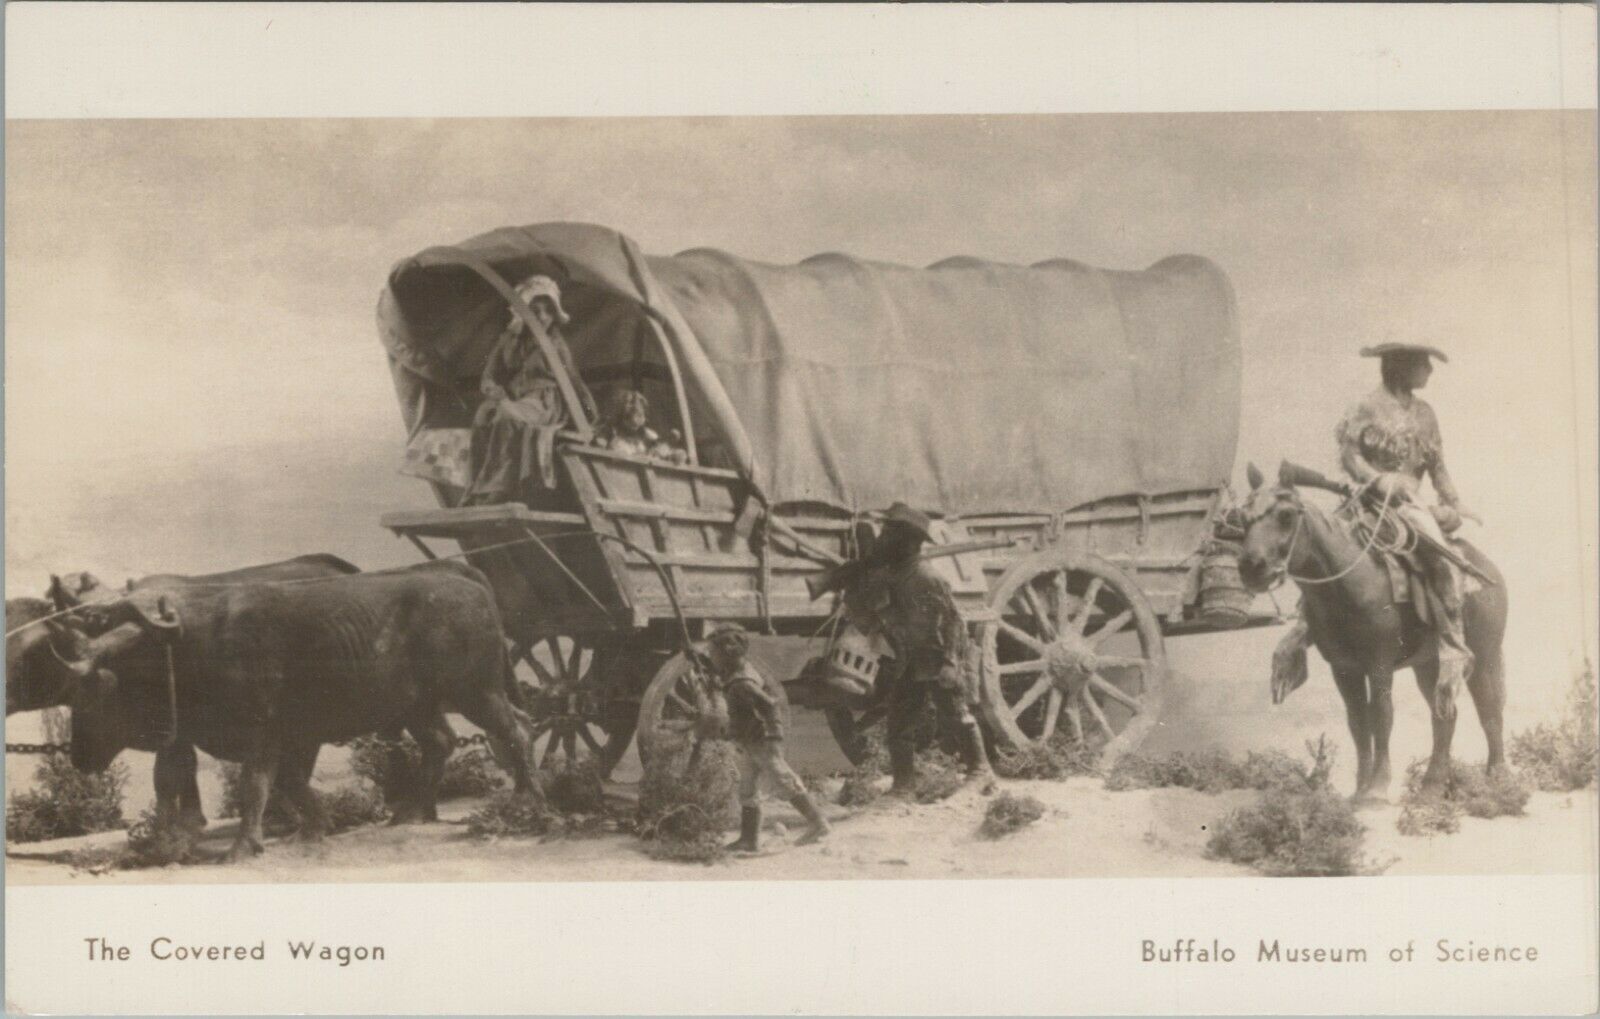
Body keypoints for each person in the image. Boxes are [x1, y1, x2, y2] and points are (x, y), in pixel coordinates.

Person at [1336, 342, 1475, 700]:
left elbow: (1437, 466)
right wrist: (1380, 480)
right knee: (1326, 544)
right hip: (1371, 496)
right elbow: (1350, 456)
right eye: (1422, 363)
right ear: (1399, 366)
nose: (1428, 369)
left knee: (1441, 553)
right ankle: (1304, 629)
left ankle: (1452, 641)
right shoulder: (1365, 406)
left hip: (1411, 502)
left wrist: (1456, 503)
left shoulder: (1427, 413)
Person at [840, 503, 995, 795]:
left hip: (935, 659)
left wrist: (950, 663)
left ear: (908, 541)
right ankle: (904, 784)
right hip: (908, 660)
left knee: (957, 715)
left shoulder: (927, 577)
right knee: (899, 726)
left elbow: (954, 623)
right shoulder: (890, 576)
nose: (882, 537)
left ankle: (981, 772)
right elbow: (870, 616)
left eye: (889, 532)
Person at [464, 275, 597, 503]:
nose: (543, 317)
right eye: (535, 310)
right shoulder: (509, 339)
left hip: (544, 401)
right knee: (482, 417)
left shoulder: (555, 343)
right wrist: (493, 390)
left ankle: (499, 488)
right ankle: (475, 487)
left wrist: (590, 413)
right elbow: (489, 375)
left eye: (548, 311)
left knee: (508, 417)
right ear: (523, 312)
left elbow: (573, 379)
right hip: (515, 397)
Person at [703, 625, 829, 852]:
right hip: (748, 741)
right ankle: (749, 839)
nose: (711, 658)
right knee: (747, 787)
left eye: (713, 653)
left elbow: (770, 706)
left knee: (782, 778)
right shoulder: (737, 674)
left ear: (728, 653)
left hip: (761, 741)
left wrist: (774, 740)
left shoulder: (743, 683)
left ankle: (818, 822)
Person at [595, 389, 688, 464]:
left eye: (641, 413)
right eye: (630, 407)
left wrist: (672, 455)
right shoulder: (609, 431)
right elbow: (599, 449)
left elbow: (662, 450)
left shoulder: (647, 434)